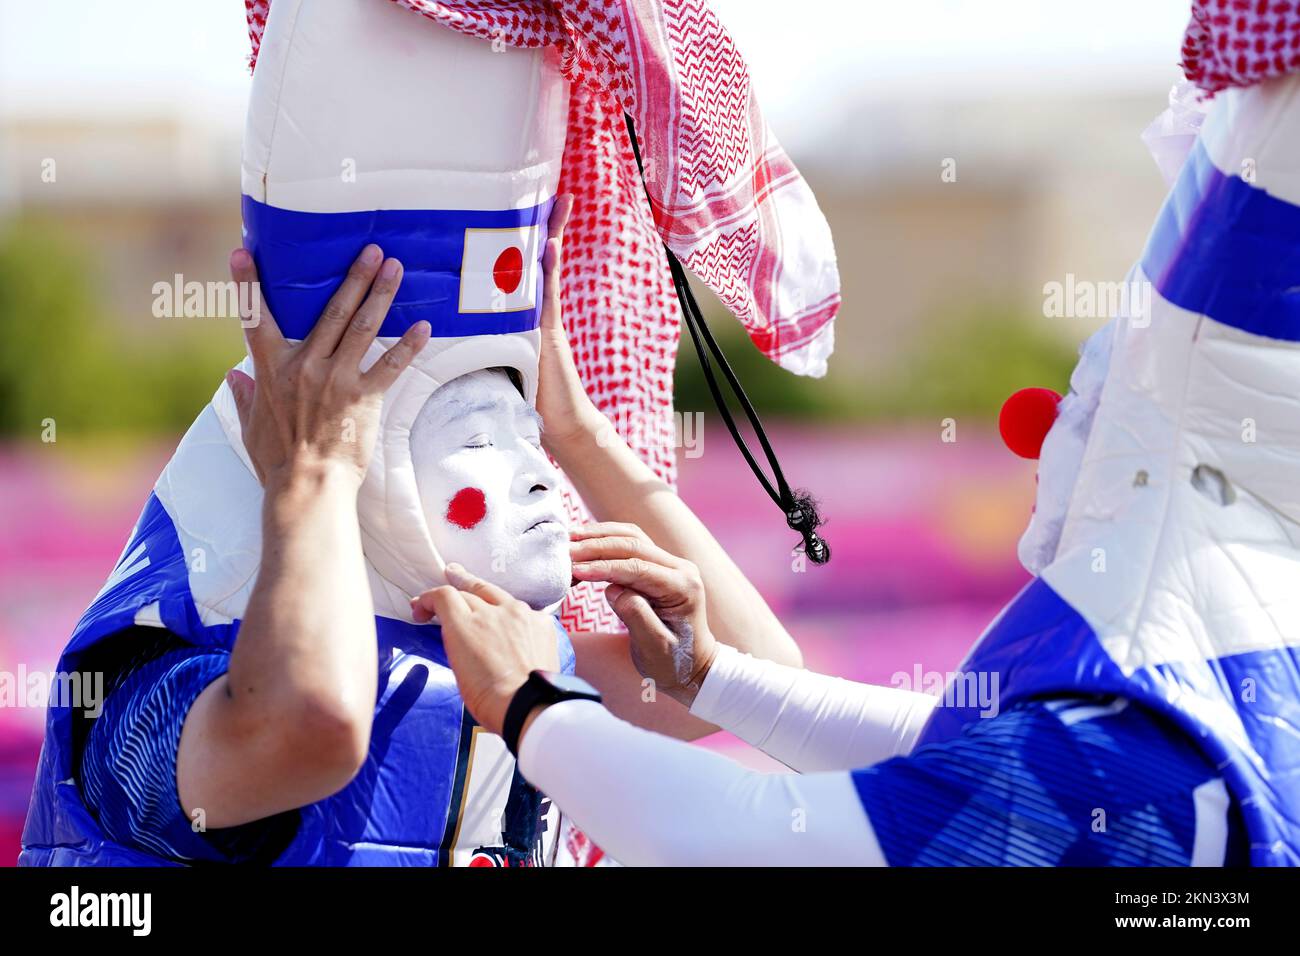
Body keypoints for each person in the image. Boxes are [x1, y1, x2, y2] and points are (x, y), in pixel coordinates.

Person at [420, 67, 1300, 867]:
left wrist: (533, 703)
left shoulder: (1109, 763)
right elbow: (942, 744)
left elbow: (733, 833)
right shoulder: (1238, 678)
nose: (1035, 428)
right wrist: (710, 678)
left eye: (1091, 412)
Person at [19, 197, 802, 866]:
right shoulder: (141, 696)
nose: (541, 480)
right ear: (356, 472)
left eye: (532, 443)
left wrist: (578, 429)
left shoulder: (490, 657)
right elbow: (308, 726)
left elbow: (766, 687)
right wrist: (315, 476)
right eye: (481, 446)